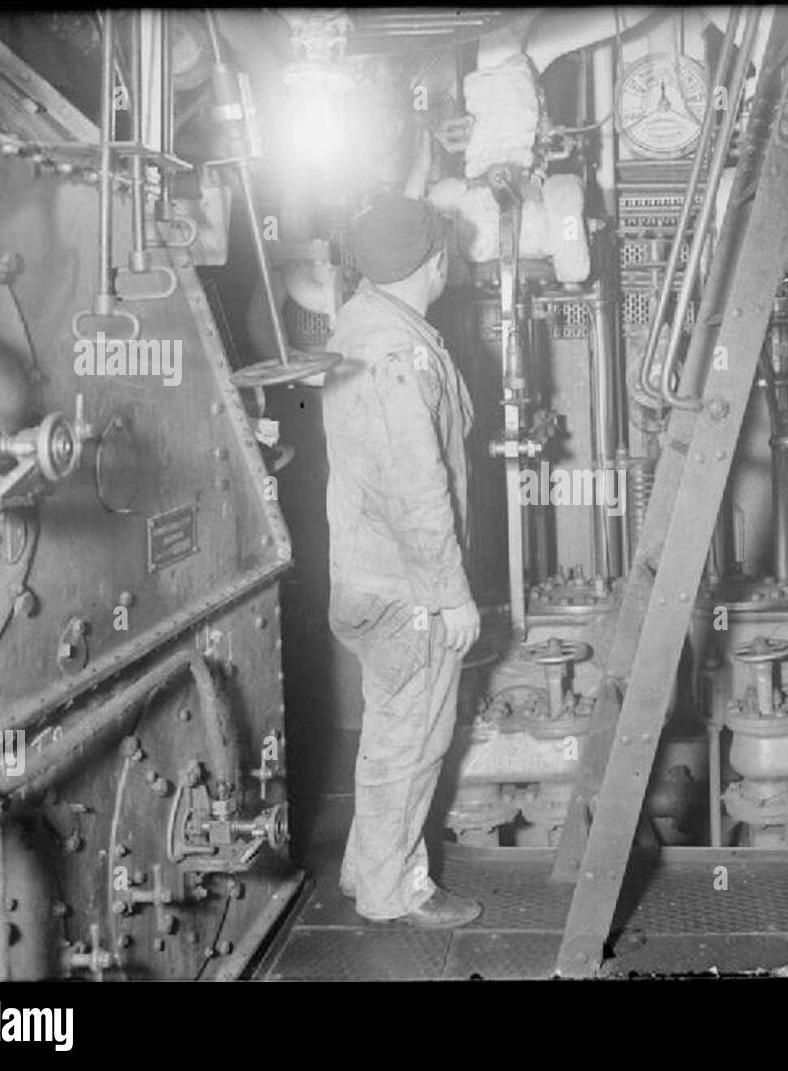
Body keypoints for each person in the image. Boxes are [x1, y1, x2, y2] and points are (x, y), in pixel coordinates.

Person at [322, 193, 482, 928]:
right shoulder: (400, 352)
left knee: (390, 732)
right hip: (406, 588)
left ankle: (366, 869)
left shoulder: (361, 324)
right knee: (415, 740)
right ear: (435, 262)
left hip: (367, 576)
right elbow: (419, 490)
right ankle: (395, 892)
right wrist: (451, 596)